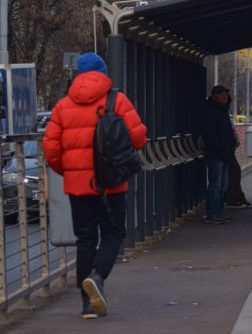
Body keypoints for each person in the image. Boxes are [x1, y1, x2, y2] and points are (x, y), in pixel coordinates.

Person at [42, 52, 147, 319]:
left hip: (78, 187)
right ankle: (97, 277)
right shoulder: (117, 100)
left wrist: (69, 172)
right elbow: (138, 137)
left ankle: (87, 304)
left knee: (86, 239)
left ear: (78, 74)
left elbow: (51, 148)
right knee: (113, 233)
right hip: (111, 183)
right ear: (103, 73)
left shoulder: (63, 106)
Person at [201, 85, 237, 224]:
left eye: (226, 95)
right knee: (215, 186)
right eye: (222, 94)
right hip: (216, 154)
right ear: (214, 96)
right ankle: (213, 213)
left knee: (223, 185)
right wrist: (221, 147)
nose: (225, 97)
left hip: (225, 154)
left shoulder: (222, 111)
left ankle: (219, 212)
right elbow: (209, 134)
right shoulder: (210, 111)